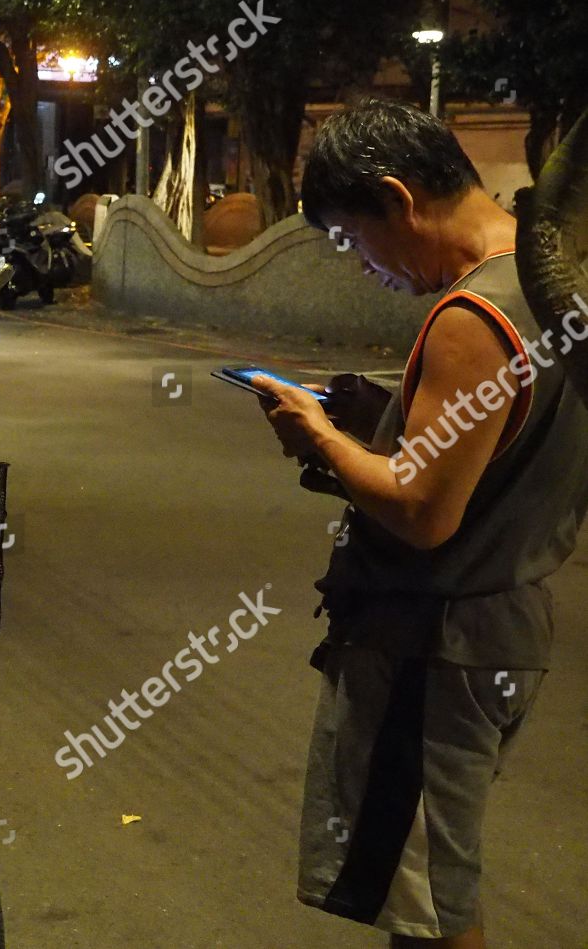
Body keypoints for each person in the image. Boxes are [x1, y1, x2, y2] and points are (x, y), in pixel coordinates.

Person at [251, 99, 588, 949]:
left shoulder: (474, 318)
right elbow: (502, 453)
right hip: (503, 627)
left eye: (354, 240)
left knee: (427, 908)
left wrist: (321, 437)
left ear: (399, 199)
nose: (364, 266)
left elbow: (421, 509)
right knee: (431, 885)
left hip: (432, 645)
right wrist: (386, 411)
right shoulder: (556, 287)